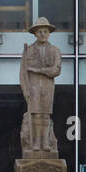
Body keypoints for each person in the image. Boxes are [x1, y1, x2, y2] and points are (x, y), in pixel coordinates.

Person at [19, 17, 61, 156]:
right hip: (34, 87)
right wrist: (25, 91)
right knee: (36, 114)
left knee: (45, 115)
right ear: (35, 34)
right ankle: (35, 142)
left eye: (45, 31)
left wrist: (39, 70)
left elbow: (56, 70)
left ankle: (45, 142)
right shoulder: (28, 51)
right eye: (40, 31)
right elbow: (23, 74)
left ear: (49, 33)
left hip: (48, 87)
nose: (42, 34)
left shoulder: (55, 50)